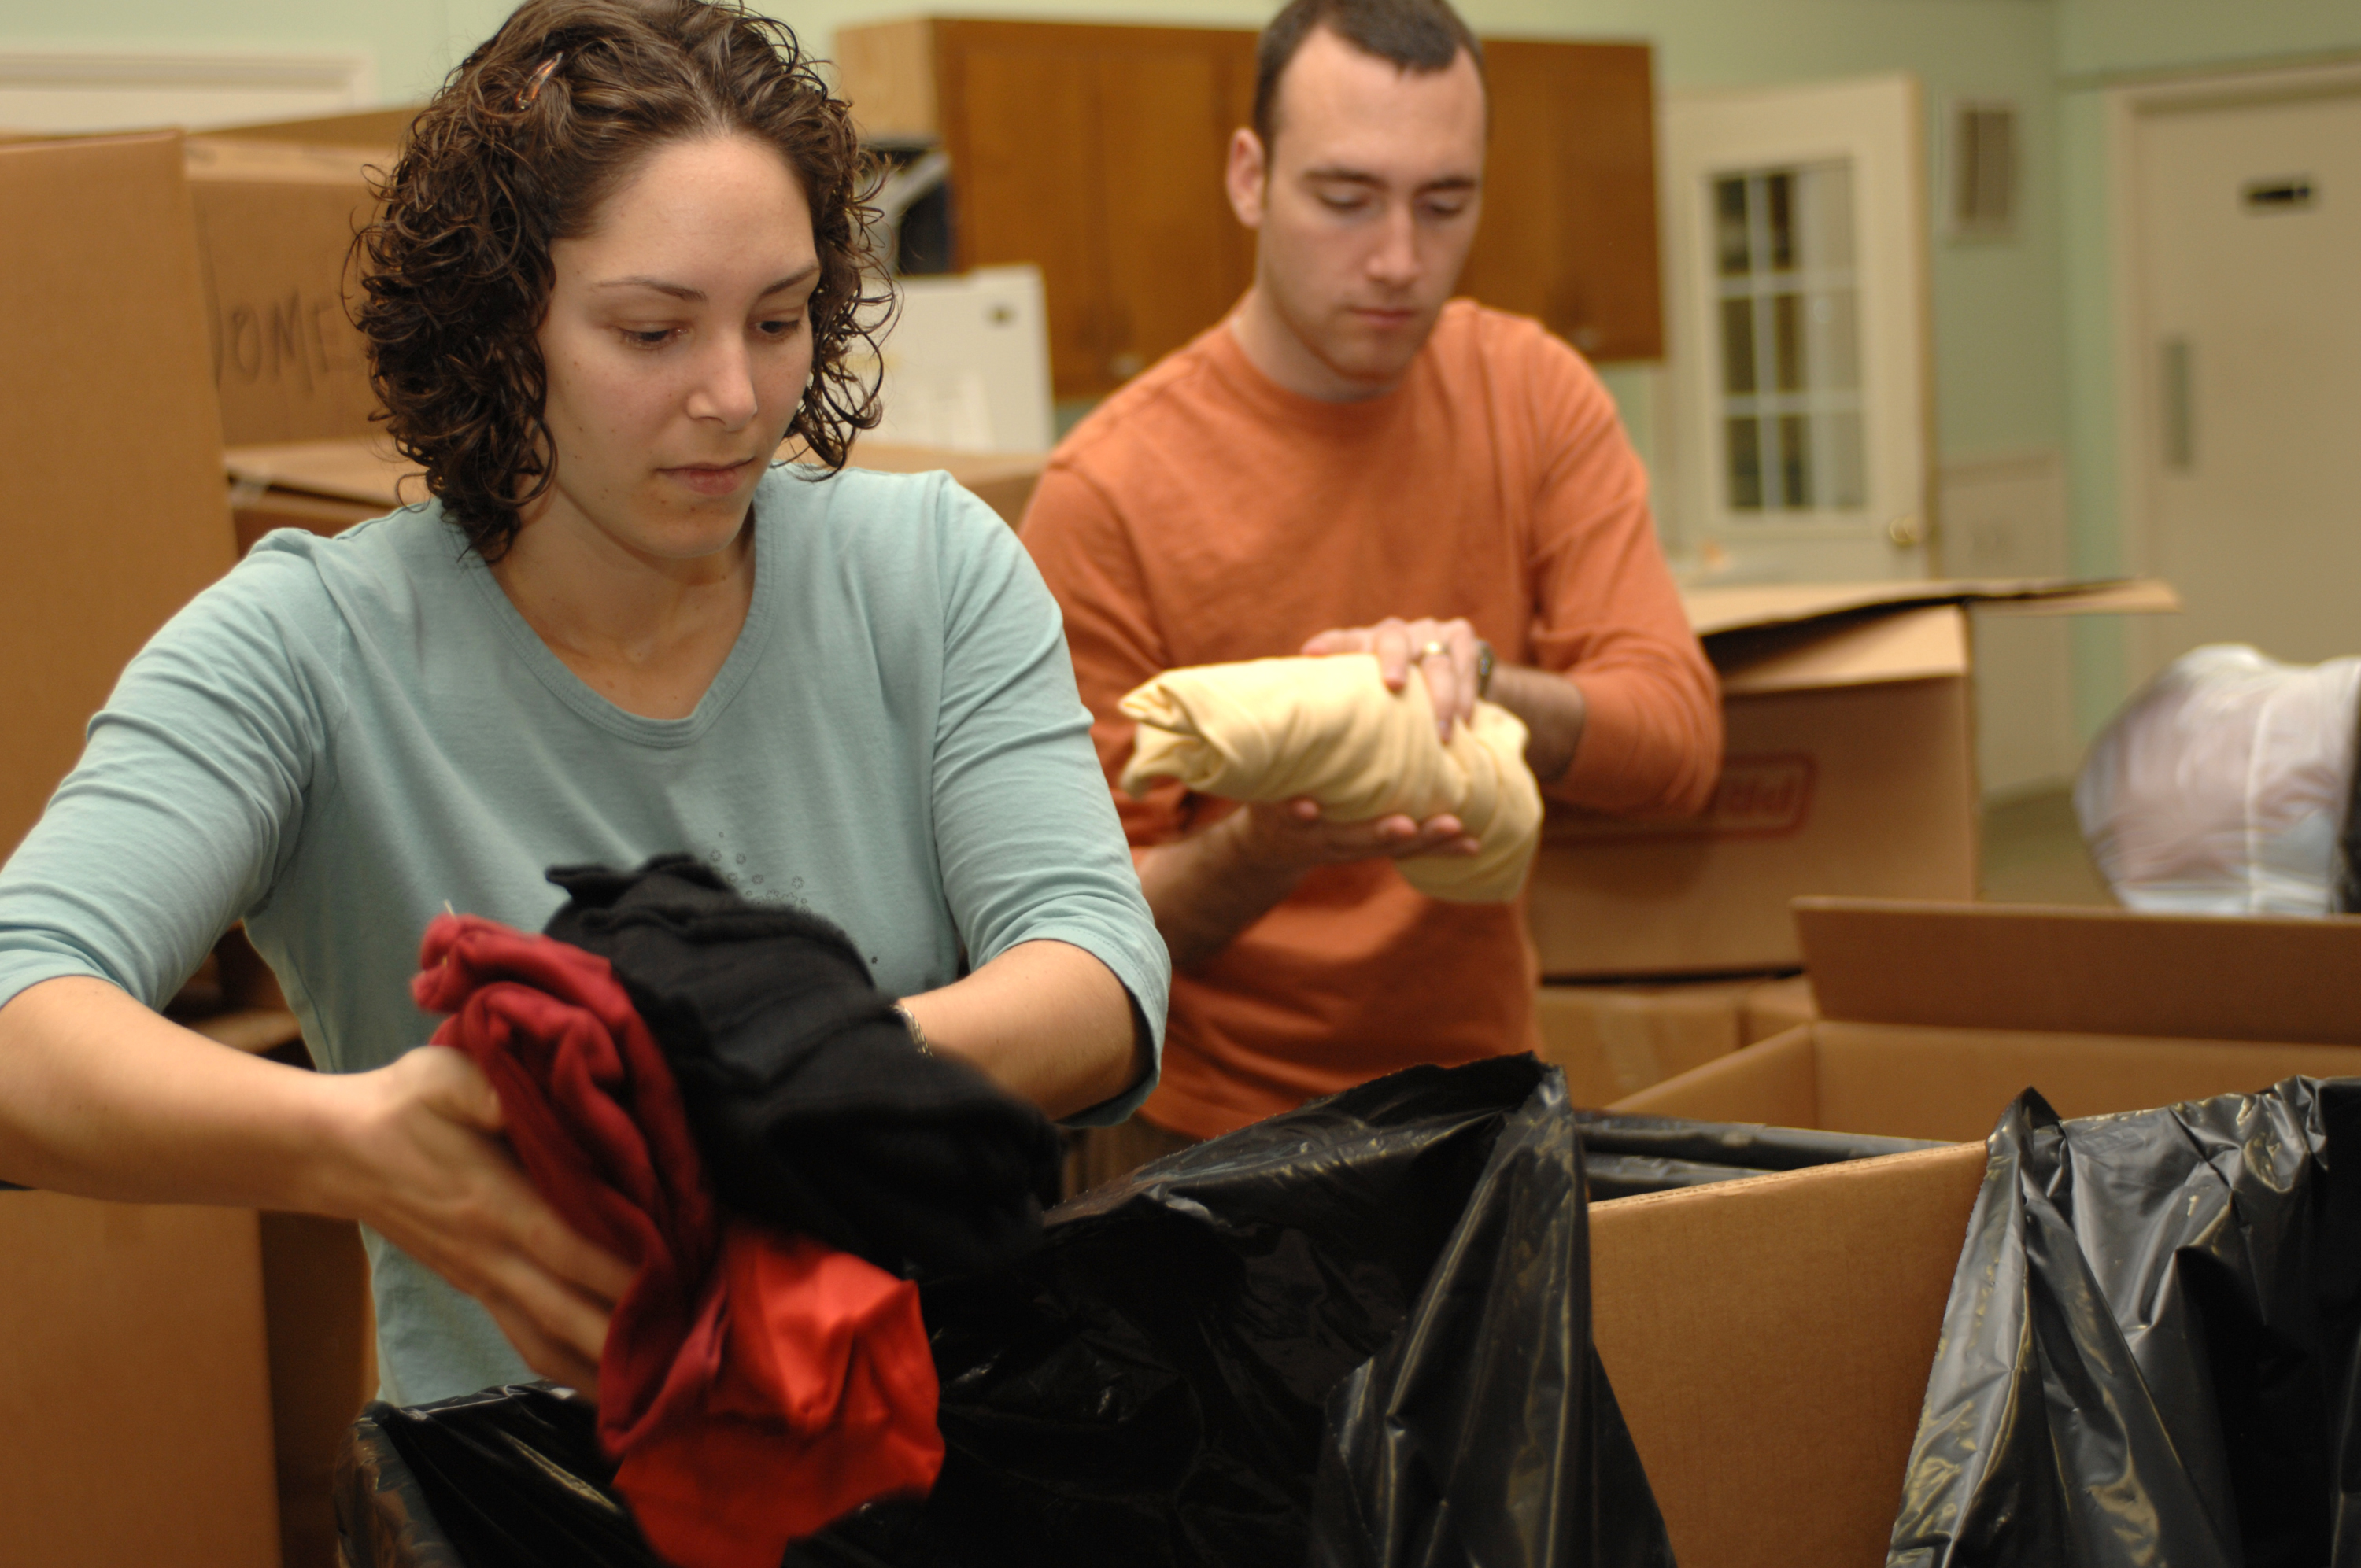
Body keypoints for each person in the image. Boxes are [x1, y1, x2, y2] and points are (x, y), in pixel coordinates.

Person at [0, 0, 1166, 1410]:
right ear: (501, 325)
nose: (736, 395)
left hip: (933, 1442)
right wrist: (359, 1141)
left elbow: (1099, 966)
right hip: (528, 1482)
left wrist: (783, 1081)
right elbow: (19, 1010)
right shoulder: (308, 649)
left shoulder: (931, 568)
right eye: (652, 330)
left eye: (780, 319)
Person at [1020, 0, 1720, 1185]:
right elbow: (1081, 930)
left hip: (1487, 1115)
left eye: (1444, 204)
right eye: (1346, 199)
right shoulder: (1111, 489)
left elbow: (1678, 745)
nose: (1399, 258)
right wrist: (1273, 841)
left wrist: (1476, 685)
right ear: (1251, 177)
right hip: (1206, 1144)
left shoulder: (1533, 395)